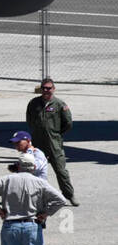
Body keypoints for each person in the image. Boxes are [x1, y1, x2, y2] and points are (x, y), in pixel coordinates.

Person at [26, 78, 77, 206]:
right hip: (38, 143)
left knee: (61, 170)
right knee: (35, 170)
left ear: (53, 89)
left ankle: (69, 195)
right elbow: (29, 119)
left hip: (54, 143)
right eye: (44, 88)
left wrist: (56, 134)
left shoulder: (59, 105)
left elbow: (68, 123)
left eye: (49, 88)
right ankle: (36, 196)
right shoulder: (34, 103)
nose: (46, 90)